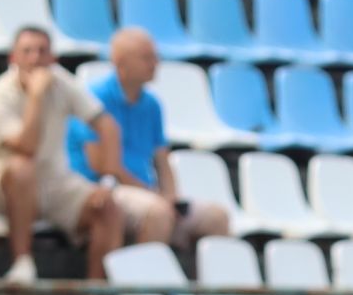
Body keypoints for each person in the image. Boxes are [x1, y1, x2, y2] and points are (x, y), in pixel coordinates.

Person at [0, 24, 123, 286]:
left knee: (108, 207)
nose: (35, 58)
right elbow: (27, 147)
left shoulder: (63, 82)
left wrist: (108, 182)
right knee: (22, 168)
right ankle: (22, 263)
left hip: (54, 183)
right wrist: (36, 96)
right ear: (13, 58)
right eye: (27, 51)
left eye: (42, 51)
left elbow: (108, 126)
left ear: (52, 58)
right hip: (0, 184)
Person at [69, 27, 233, 259]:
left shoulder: (152, 105)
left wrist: (172, 197)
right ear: (120, 62)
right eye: (147, 57)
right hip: (102, 190)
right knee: (157, 213)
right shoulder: (93, 99)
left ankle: (212, 294)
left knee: (217, 217)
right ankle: (139, 292)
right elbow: (103, 166)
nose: (155, 63)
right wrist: (157, 198)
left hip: (143, 192)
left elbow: (162, 162)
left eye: (155, 57)